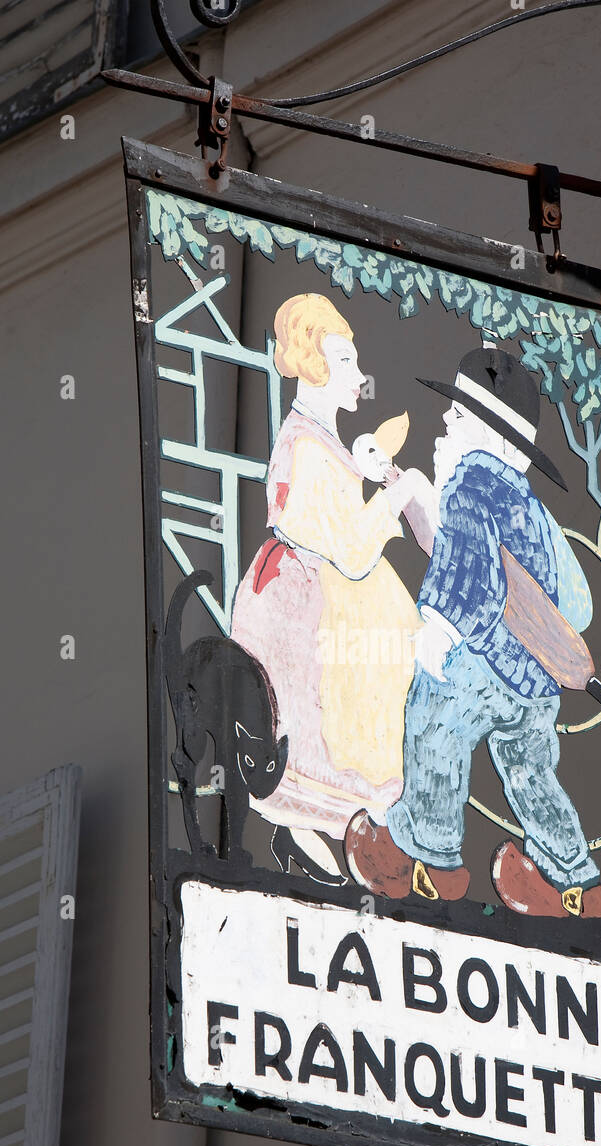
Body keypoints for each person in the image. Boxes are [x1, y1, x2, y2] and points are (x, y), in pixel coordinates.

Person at [345, 346, 601, 918]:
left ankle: (426, 856)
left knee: (434, 724)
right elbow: (558, 593)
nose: (446, 423)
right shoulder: (528, 505)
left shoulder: (470, 478)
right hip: (536, 682)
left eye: (460, 416)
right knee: (530, 770)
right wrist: (401, 484)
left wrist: (438, 633)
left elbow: (471, 574)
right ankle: (574, 882)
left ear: (494, 438)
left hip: (482, 662)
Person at [230, 292, 425, 884]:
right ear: (312, 363)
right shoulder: (307, 445)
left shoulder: (324, 440)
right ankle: (315, 825)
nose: (357, 377)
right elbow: (352, 548)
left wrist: (372, 473)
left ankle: (347, 829)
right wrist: (400, 491)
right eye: (344, 362)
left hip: (328, 593)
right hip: (305, 605)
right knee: (336, 706)